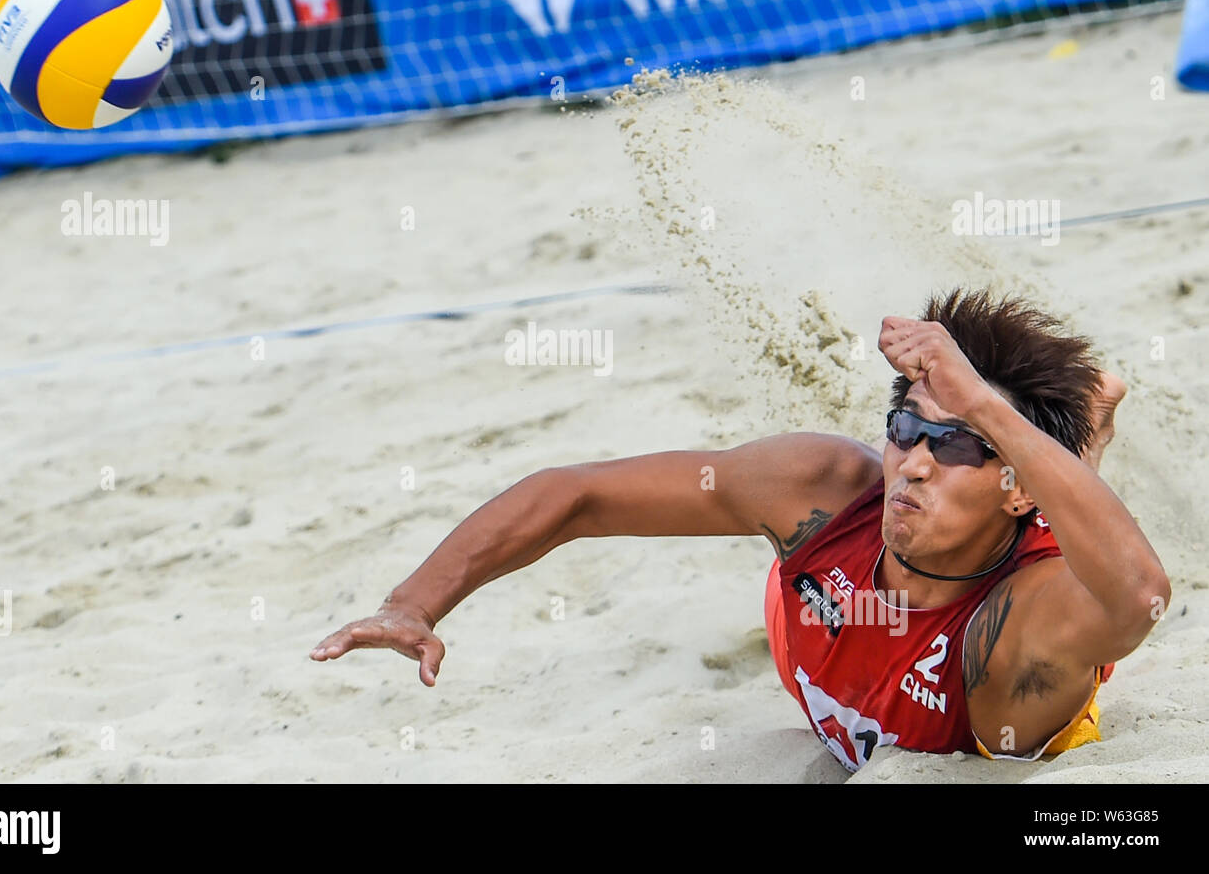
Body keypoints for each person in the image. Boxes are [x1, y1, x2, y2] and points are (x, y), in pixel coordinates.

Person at [309, 287, 1170, 771]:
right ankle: (1074, 422)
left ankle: (1081, 432)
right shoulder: (827, 489)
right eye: (904, 426)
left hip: (989, 656)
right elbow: (576, 495)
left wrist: (985, 400)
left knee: (1064, 493)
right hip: (831, 619)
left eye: (950, 444)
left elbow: (1139, 593)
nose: (910, 461)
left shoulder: (1020, 627)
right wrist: (414, 602)